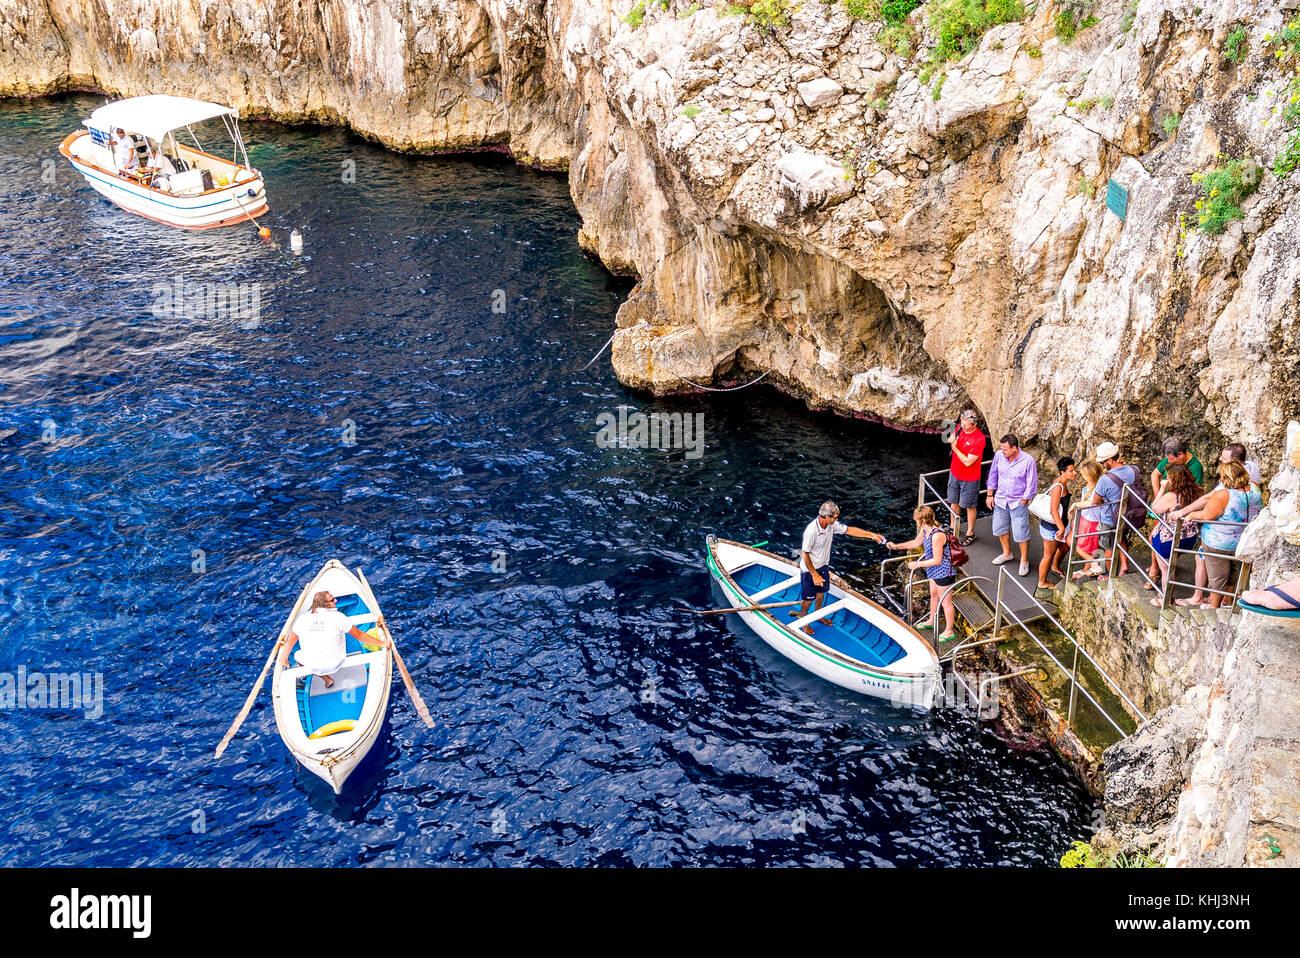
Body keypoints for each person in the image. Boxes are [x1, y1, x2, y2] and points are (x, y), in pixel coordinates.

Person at [1170, 461, 1261, 610]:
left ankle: (1214, 607)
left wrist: (1191, 514)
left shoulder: (1224, 495)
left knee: (1217, 576)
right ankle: (1227, 602)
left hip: (1219, 543)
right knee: (1232, 572)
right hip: (1242, 541)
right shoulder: (1255, 490)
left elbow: (1207, 515)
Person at [790, 501, 878, 635]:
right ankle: (804, 621)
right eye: (835, 517)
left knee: (821, 594)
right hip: (809, 570)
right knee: (808, 599)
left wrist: (872, 535)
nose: (837, 520)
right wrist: (814, 575)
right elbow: (805, 554)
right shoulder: (811, 531)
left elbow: (849, 530)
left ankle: (818, 615)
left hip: (823, 566)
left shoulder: (831, 525)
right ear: (826, 517)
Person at [279, 590, 391, 688]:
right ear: (325, 605)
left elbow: (290, 642)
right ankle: (328, 678)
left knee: (297, 655)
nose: (336, 600)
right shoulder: (339, 617)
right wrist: (382, 643)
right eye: (332, 600)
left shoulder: (302, 619)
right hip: (338, 662)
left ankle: (327, 679)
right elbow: (360, 635)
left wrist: (284, 658)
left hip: (315, 666)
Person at [880, 507, 956, 640]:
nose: (915, 521)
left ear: (923, 520)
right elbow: (916, 542)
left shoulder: (937, 535)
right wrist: (897, 546)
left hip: (944, 571)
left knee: (946, 602)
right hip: (934, 570)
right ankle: (931, 620)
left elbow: (937, 560)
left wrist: (918, 564)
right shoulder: (925, 529)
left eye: (916, 519)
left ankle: (949, 631)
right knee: (933, 595)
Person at [1146, 463, 1202, 604]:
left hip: (1169, 539)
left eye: (1169, 478)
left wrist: (1162, 488)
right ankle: (1167, 595)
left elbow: (1154, 509)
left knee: (1166, 570)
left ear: (1174, 480)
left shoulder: (1171, 496)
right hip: (1189, 538)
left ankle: (1166, 599)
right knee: (1170, 565)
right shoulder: (1198, 491)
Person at [1087, 442, 1142, 578]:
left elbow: (1096, 501)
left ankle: (1109, 576)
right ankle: (1124, 566)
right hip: (1128, 515)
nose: (1102, 465)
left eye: (1102, 462)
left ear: (1110, 460)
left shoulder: (1104, 480)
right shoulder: (1134, 470)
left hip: (1110, 518)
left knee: (1109, 547)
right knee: (1121, 537)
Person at [986, 434, 1038, 576]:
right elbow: (993, 474)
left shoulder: (1028, 460)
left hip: (1017, 502)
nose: (1002, 452)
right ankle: (1007, 553)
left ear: (1014, 448)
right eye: (1002, 449)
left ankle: (1024, 560)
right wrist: (990, 494)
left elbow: (1031, 482)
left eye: (1005, 449)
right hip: (1001, 499)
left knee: (1021, 532)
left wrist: (1025, 498)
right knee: (1000, 528)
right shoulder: (999, 456)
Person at [946, 410, 986, 546]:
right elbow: (952, 437)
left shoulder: (979, 439)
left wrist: (955, 448)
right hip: (955, 473)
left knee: (970, 506)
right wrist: (951, 439)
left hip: (970, 478)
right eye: (962, 423)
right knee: (953, 501)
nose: (963, 426)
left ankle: (970, 533)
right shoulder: (960, 428)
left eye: (966, 424)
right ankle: (952, 527)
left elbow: (968, 462)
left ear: (974, 425)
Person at [1036, 457, 1075, 592]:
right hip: (1053, 527)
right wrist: (1061, 528)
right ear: (1062, 472)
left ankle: (1055, 567)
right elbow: (1053, 510)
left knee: (1064, 547)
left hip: (1061, 524)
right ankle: (1042, 582)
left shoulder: (1064, 484)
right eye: (1071, 471)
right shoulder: (1058, 486)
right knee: (1048, 555)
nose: (1074, 473)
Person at [1069, 460, 1106, 578]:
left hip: (1090, 522)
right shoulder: (1090, 486)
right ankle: (1086, 569)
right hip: (1085, 519)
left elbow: (1092, 502)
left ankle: (1093, 563)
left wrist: (1076, 504)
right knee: (1086, 546)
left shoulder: (1097, 489)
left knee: (1072, 541)